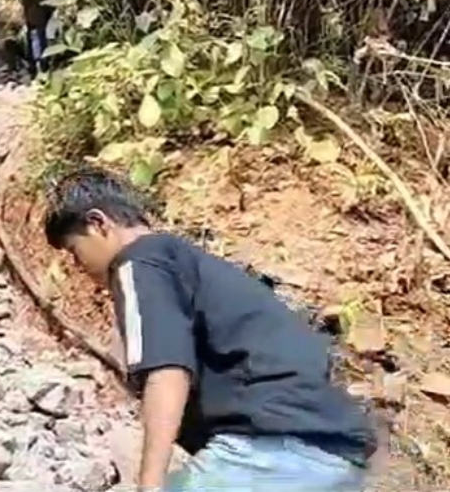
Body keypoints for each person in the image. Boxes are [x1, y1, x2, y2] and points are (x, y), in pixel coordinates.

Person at [43, 168, 375, 491]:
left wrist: (149, 485)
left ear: (99, 223)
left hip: (271, 451)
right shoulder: (191, 265)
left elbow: (166, 373)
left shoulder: (139, 262)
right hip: (333, 458)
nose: (78, 266)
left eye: (74, 250)